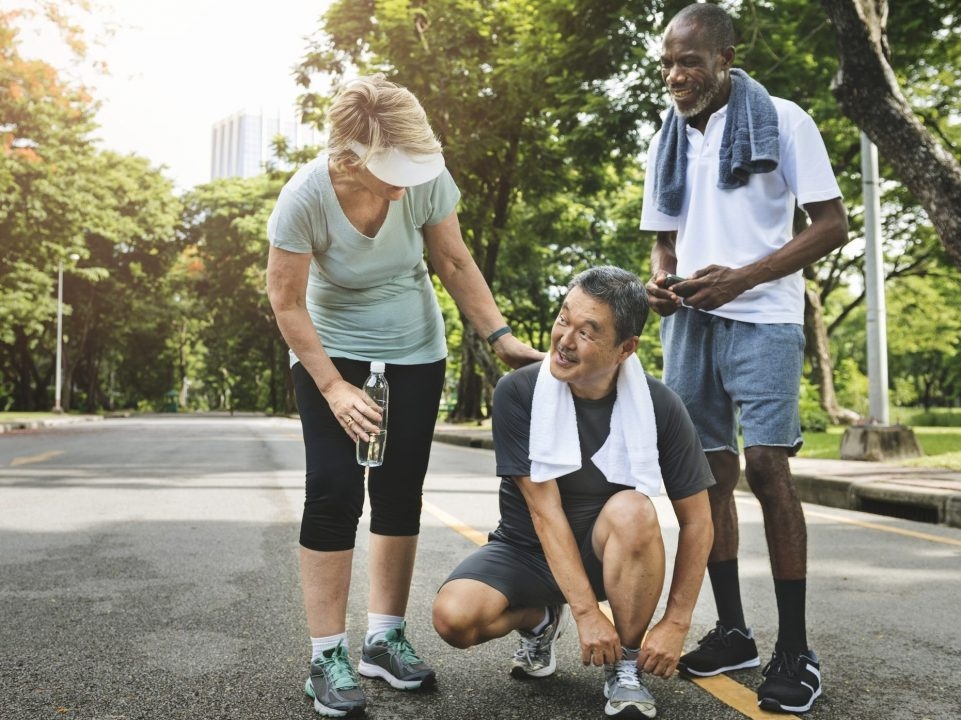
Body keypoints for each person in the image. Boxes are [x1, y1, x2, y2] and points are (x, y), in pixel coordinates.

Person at [266, 74, 542, 718]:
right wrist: (332, 384)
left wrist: (497, 335)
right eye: (390, 168)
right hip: (329, 345)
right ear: (350, 155)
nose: (403, 180)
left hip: (415, 346)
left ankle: (383, 639)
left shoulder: (423, 181)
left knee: (398, 490)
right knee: (334, 490)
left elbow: (454, 261)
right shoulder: (304, 198)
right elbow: (285, 299)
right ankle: (326, 656)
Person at [639, 4, 849, 714]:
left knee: (764, 465)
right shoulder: (666, 135)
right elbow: (664, 239)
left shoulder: (783, 119)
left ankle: (795, 648)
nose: (674, 75)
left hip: (762, 314)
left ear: (725, 58)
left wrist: (745, 277)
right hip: (691, 322)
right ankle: (733, 630)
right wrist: (661, 280)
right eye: (666, 62)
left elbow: (831, 226)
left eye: (688, 62)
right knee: (706, 476)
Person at [432, 266, 716, 719]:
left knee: (634, 509)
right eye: (564, 319)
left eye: (588, 332)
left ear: (626, 349)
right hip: (527, 549)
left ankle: (625, 664)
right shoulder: (518, 392)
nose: (565, 339)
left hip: (607, 555)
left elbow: (698, 520)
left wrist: (676, 620)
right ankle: (541, 618)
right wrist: (584, 612)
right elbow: (545, 514)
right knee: (454, 619)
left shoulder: (659, 404)